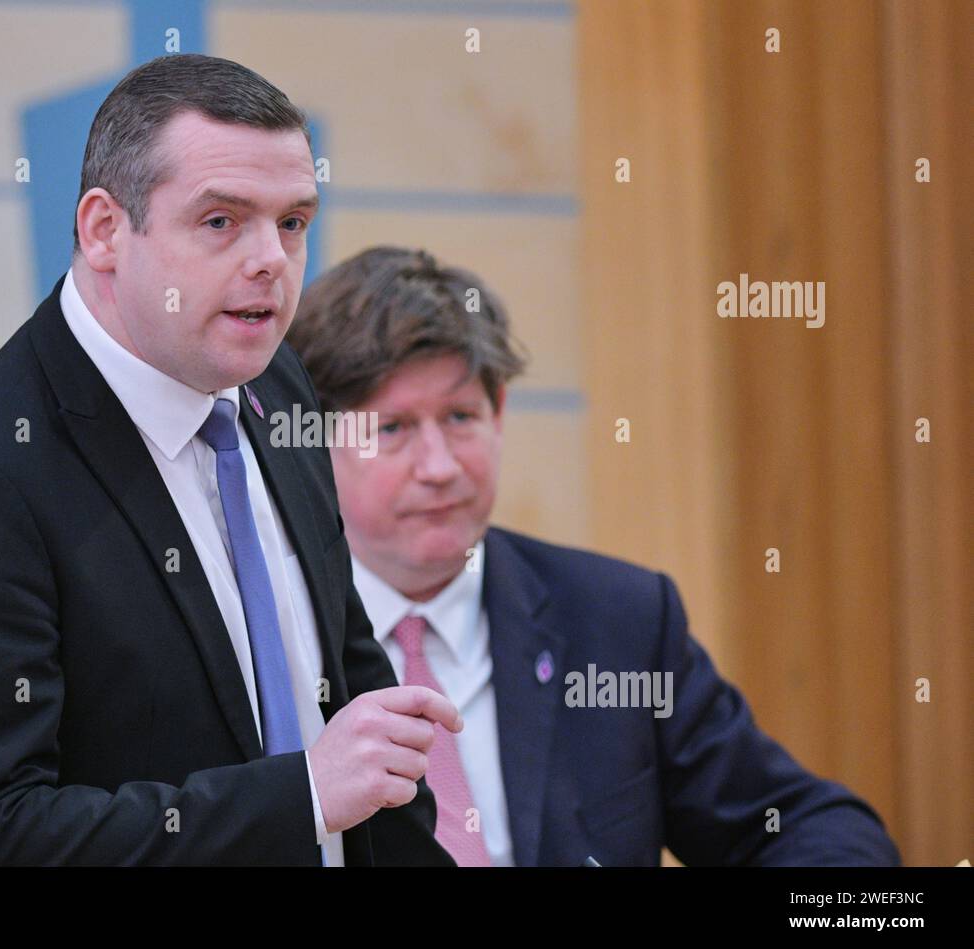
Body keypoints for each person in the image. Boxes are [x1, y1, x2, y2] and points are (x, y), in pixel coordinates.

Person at [0, 56, 458, 866]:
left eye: (292, 223)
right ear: (106, 230)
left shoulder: (276, 382)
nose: (271, 263)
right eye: (221, 221)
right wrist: (304, 795)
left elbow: (355, 701)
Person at [286, 245, 902, 866]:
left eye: (460, 417)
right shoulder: (269, 632)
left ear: (498, 413)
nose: (440, 467)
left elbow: (796, 823)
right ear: (313, 441)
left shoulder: (618, 618)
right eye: (392, 429)